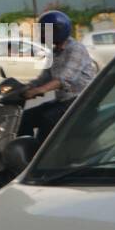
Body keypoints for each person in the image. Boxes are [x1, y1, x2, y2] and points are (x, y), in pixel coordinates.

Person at [19, 10, 96, 140]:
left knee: (47, 120)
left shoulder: (76, 49)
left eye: (45, 31)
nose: (43, 34)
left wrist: (40, 90)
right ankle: (24, 152)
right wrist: (26, 87)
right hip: (63, 101)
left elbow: (65, 78)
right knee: (24, 118)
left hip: (80, 101)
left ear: (58, 30)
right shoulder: (54, 52)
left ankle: (42, 156)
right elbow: (45, 77)